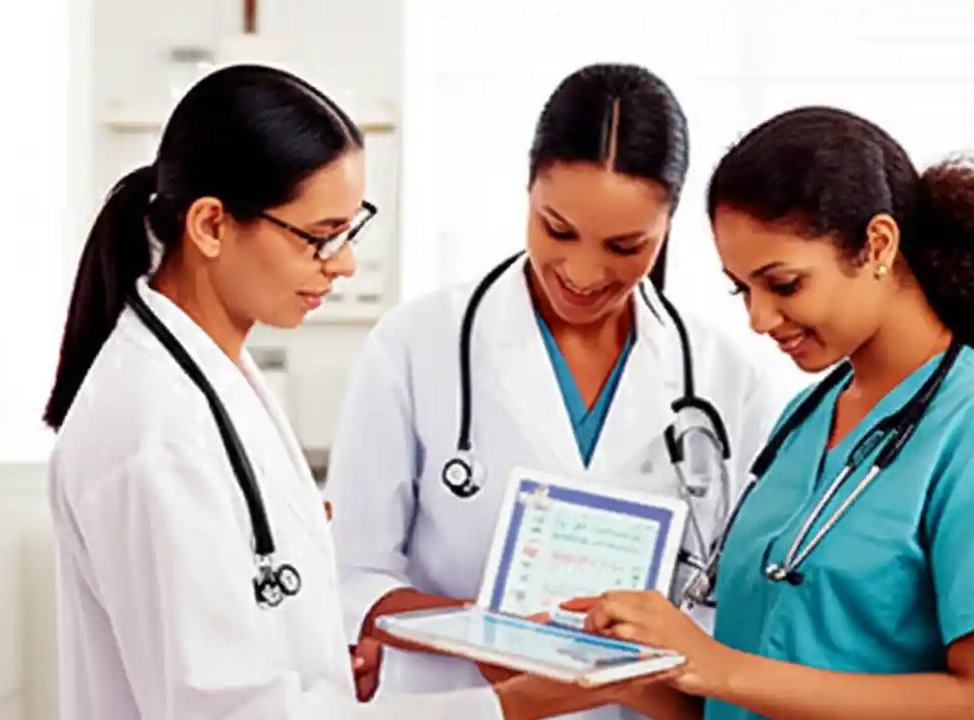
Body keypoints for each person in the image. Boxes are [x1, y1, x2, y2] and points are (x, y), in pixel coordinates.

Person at [43, 64, 630, 720]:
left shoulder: (215, 376)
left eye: (351, 230)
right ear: (210, 225)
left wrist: (320, 650)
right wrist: (502, 706)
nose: (345, 262)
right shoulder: (152, 432)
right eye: (320, 236)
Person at [565, 106, 974, 720]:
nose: (759, 320)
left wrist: (721, 667)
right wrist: (630, 668)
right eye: (743, 290)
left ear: (878, 245)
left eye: (784, 284)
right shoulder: (804, 420)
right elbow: (744, 698)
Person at [323, 63, 792, 718]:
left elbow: (733, 608)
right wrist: (487, 634)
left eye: (627, 245)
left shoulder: (726, 378)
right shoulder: (416, 345)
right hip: (457, 705)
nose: (582, 272)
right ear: (526, 190)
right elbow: (350, 577)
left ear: (668, 226)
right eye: (558, 229)